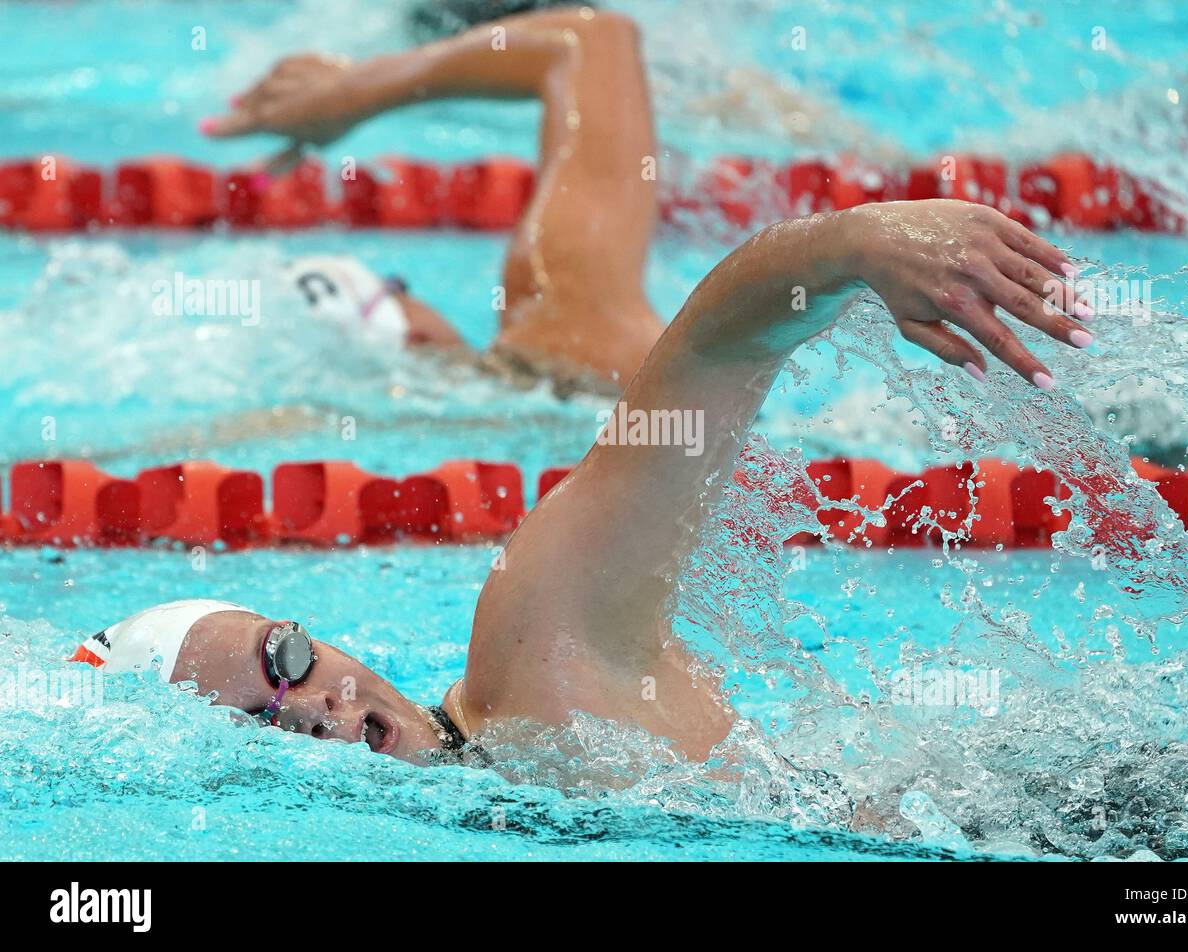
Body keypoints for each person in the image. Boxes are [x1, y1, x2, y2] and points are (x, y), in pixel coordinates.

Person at [73, 8, 1095, 766]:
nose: (308, 706)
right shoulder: (493, 731)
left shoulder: (529, 636)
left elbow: (712, 348)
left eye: (285, 656)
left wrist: (854, 240)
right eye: (260, 726)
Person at [205, 6, 663, 392]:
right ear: (417, 338)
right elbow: (593, 39)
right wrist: (348, 93)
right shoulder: (571, 326)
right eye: (395, 286)